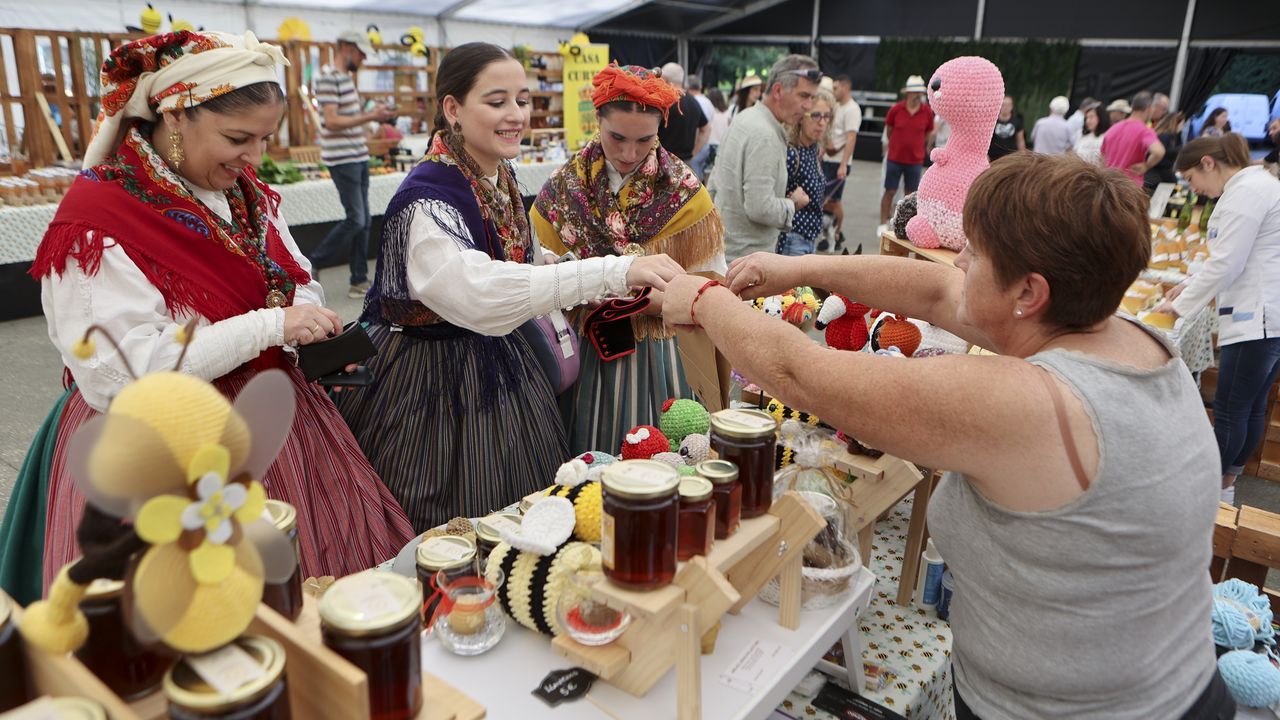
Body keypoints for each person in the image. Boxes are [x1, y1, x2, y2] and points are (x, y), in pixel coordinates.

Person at [660, 152, 1229, 719]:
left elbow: (800, 375)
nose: (956, 259)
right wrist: (802, 267)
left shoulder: (1031, 402)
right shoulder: (1118, 332)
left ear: (1028, 294)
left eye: (975, 253)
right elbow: (937, 292)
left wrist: (704, 300)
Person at [0, 30, 414, 604]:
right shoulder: (100, 219)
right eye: (237, 138)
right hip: (165, 449)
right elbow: (121, 377)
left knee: (316, 596)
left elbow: (295, 275)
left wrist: (303, 308)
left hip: (278, 424)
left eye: (265, 139)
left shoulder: (246, 195)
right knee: (198, 615)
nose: (253, 158)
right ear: (174, 117)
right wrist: (270, 326)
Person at [332, 45, 682, 530]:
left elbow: (525, 259)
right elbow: (480, 293)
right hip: (429, 385)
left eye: (521, 100)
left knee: (523, 511)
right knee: (450, 525)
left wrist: (592, 275)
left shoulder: (496, 175)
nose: (516, 115)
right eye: (497, 102)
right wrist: (613, 271)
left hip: (501, 363)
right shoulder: (425, 199)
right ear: (453, 108)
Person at [530, 64, 725, 454]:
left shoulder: (685, 193)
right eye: (616, 137)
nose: (628, 153)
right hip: (585, 351)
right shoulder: (563, 189)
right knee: (588, 459)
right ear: (596, 119)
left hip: (660, 353)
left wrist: (654, 301)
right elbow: (536, 273)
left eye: (645, 140)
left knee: (659, 458)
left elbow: (712, 282)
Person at [1155, 133, 1280, 505]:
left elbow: (1228, 262)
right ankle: (1224, 485)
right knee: (1250, 405)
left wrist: (1179, 306)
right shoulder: (1257, 185)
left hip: (1256, 314)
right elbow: (1227, 255)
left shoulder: (1246, 191)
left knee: (1231, 410)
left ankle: (1210, 492)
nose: (1197, 190)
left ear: (1208, 163)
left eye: (1193, 179)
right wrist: (1190, 286)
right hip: (1264, 313)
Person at [307, 30, 398, 299]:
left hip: (357, 155)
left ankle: (358, 280)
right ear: (345, 47)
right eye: (360, 52)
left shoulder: (345, 78)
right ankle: (314, 262)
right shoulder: (327, 77)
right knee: (356, 219)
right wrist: (370, 115)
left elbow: (350, 118)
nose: (362, 58)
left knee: (364, 221)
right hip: (342, 159)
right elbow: (332, 121)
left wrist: (375, 118)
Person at [709, 54, 819, 261]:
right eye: (804, 96)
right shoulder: (765, 134)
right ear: (778, 90)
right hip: (745, 261)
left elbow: (714, 184)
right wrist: (792, 204)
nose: (808, 106)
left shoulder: (745, 117)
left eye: (812, 98)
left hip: (725, 252)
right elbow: (759, 208)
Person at [778, 89, 833, 256]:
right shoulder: (792, 153)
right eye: (816, 115)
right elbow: (771, 200)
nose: (822, 122)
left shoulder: (813, 149)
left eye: (826, 116)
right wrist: (792, 201)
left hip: (810, 238)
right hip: (792, 239)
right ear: (801, 118)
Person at [880, 75, 935, 227]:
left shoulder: (927, 112)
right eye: (914, 92)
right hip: (895, 158)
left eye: (920, 92)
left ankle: (904, 225)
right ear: (908, 93)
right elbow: (889, 131)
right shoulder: (896, 110)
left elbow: (928, 132)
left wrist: (918, 145)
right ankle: (882, 222)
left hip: (915, 160)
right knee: (889, 191)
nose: (918, 95)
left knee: (910, 195)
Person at [821, 75, 861, 252]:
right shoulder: (836, 106)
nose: (833, 91)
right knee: (825, 199)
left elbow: (851, 139)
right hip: (828, 158)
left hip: (839, 162)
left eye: (836, 88)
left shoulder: (852, 109)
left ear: (845, 88)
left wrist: (844, 164)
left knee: (834, 201)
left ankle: (837, 233)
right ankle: (829, 233)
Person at [1101, 91, 1165, 186]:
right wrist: (1146, 166)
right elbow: (1159, 151)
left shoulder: (1113, 129)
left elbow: (1102, 157)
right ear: (1149, 109)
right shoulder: (1144, 131)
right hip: (1129, 189)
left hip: (1108, 186)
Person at [655, 62, 709, 164]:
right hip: (685, 164)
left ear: (664, 80)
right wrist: (693, 153)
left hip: (662, 164)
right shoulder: (693, 101)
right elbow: (706, 129)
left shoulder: (662, 101)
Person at [1146, 111, 1186, 190]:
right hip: (1157, 177)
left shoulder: (1170, 137)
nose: (1182, 126)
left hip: (1160, 176)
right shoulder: (1164, 136)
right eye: (1182, 123)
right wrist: (1179, 150)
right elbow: (1162, 156)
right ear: (1176, 123)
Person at [687, 75, 717, 177]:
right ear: (700, 86)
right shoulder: (708, 102)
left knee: (694, 181)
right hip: (706, 146)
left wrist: (693, 152)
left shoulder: (691, 102)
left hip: (696, 147)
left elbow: (700, 130)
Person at [700, 87, 731, 179]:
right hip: (722, 147)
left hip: (709, 147)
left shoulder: (709, 113)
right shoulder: (728, 113)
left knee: (707, 175)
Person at [988, 95, 1025, 161]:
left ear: (1012, 106)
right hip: (993, 158)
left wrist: (1023, 157)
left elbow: (1020, 141)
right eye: (1003, 104)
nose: (1006, 107)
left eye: (1008, 105)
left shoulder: (1017, 121)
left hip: (1011, 158)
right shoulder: (991, 121)